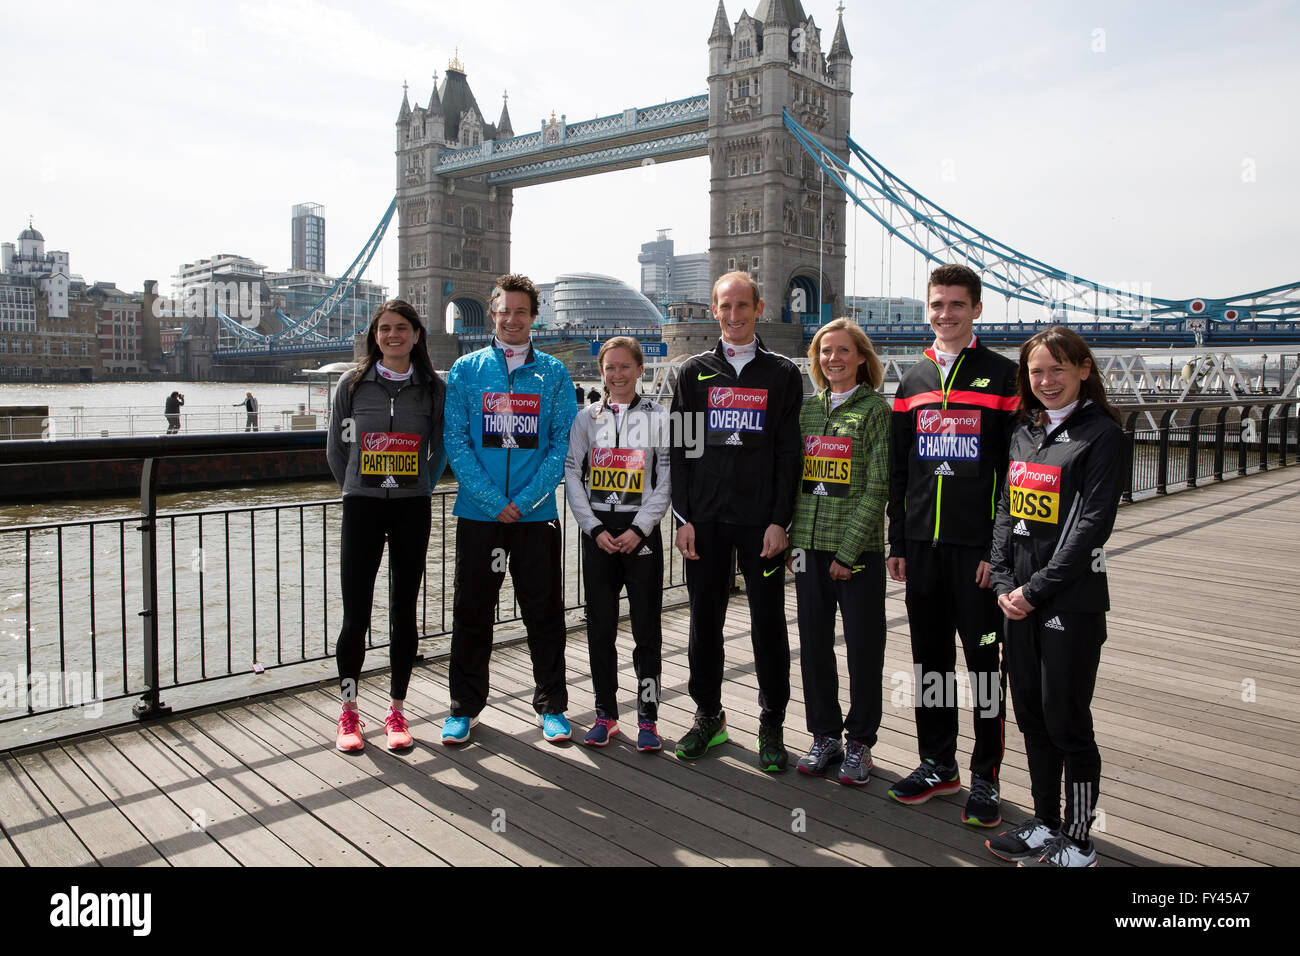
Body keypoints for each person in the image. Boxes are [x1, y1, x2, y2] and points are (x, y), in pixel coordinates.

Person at [885, 263, 1018, 826]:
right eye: (936, 305)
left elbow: (1016, 472)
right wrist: (898, 541)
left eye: (956, 305)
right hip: (923, 547)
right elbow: (900, 470)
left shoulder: (1005, 377)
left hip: (977, 553)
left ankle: (985, 775)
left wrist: (999, 549)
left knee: (984, 663)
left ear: (977, 310)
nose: (945, 314)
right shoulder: (912, 381)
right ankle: (938, 762)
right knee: (930, 660)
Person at [986, 326, 1124, 867]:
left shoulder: (1102, 436)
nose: (1046, 380)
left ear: (1083, 371)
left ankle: (1080, 838)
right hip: (1017, 598)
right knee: (1032, 718)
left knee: (1067, 721)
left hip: (1069, 602)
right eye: (1037, 371)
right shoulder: (1025, 432)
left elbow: (1092, 524)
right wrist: (1002, 580)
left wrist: (1035, 589)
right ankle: (1044, 823)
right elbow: (1006, 510)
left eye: (1058, 369)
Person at [669, 271, 802, 771]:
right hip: (705, 522)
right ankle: (709, 716)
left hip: (759, 525)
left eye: (743, 306)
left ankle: (771, 723)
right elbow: (682, 449)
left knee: (768, 624)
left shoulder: (783, 374)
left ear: (759, 308)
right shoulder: (691, 372)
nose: (734, 315)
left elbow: (789, 454)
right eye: (725, 306)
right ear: (714, 310)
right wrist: (683, 519)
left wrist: (779, 521)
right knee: (705, 623)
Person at [441, 273, 578, 746]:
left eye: (521, 311)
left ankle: (553, 707)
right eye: (504, 310)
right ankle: (464, 708)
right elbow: (456, 441)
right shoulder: (465, 370)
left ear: (534, 317)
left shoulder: (555, 375)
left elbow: (561, 445)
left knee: (544, 614)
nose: (512, 319)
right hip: (480, 516)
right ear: (492, 314)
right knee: (471, 613)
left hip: (535, 517)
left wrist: (522, 501)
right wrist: (493, 501)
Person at [326, 299, 445, 753]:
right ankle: (349, 712)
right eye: (384, 329)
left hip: (412, 508)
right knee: (355, 614)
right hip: (362, 507)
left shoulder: (434, 389)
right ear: (375, 336)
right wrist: (355, 487)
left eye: (401, 328)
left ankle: (396, 710)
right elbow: (337, 448)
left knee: (403, 610)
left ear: (417, 335)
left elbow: (440, 449)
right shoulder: (352, 385)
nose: (392, 336)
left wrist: (420, 486)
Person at [788, 319, 890, 785]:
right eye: (825, 351)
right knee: (813, 647)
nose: (833, 359)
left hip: (856, 553)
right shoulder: (808, 411)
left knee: (863, 650)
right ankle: (825, 735)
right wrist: (793, 541)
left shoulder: (875, 412)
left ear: (862, 358)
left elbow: (877, 488)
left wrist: (847, 553)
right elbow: (795, 481)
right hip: (809, 547)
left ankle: (862, 742)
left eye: (843, 351)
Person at [564, 336, 670, 752]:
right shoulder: (586, 418)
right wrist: (591, 527)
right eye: (610, 367)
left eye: (626, 367)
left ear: (640, 370)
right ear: (601, 371)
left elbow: (667, 480)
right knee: (600, 629)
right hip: (600, 537)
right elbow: (573, 472)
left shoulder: (661, 417)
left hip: (639, 536)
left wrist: (641, 528)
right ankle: (605, 714)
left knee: (647, 632)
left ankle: (648, 718)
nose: (617, 374)